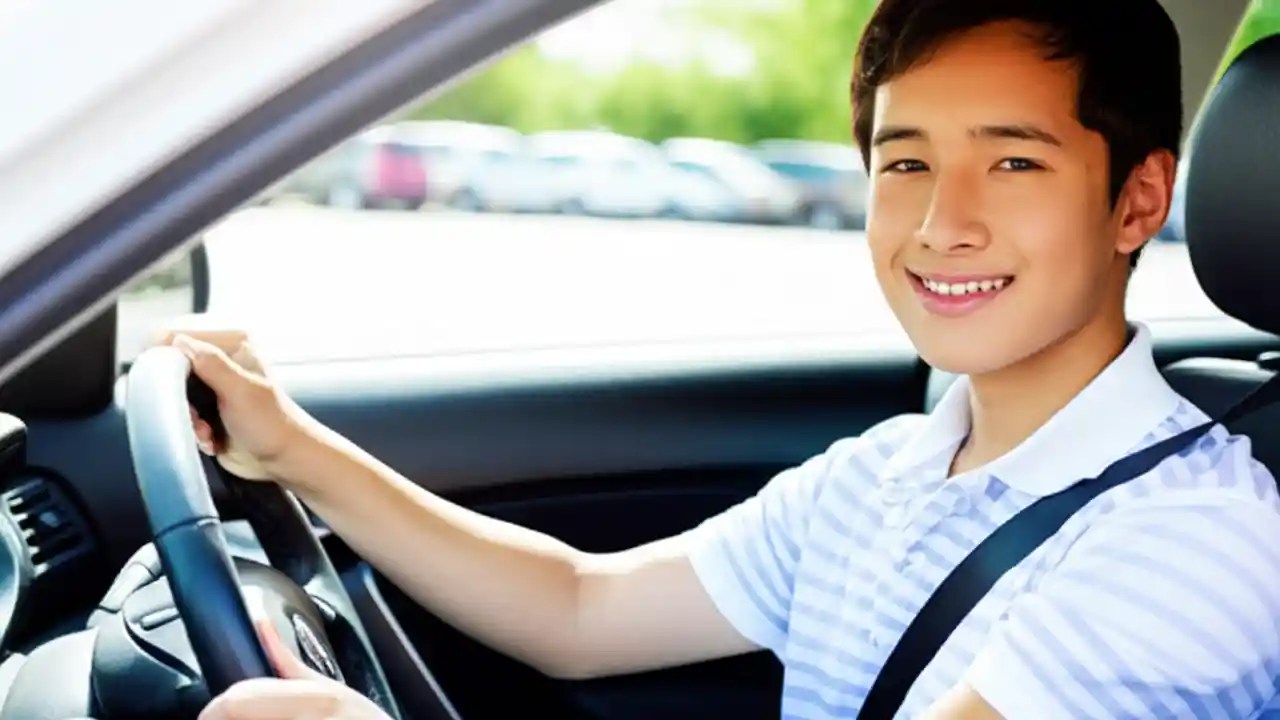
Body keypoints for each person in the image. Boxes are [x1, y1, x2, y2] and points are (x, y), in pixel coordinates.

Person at [187, 0, 1280, 718]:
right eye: (904, 162)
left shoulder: (1197, 539)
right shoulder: (882, 472)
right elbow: (578, 610)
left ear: (1135, 198)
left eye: (1010, 161)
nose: (941, 221)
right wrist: (293, 450)